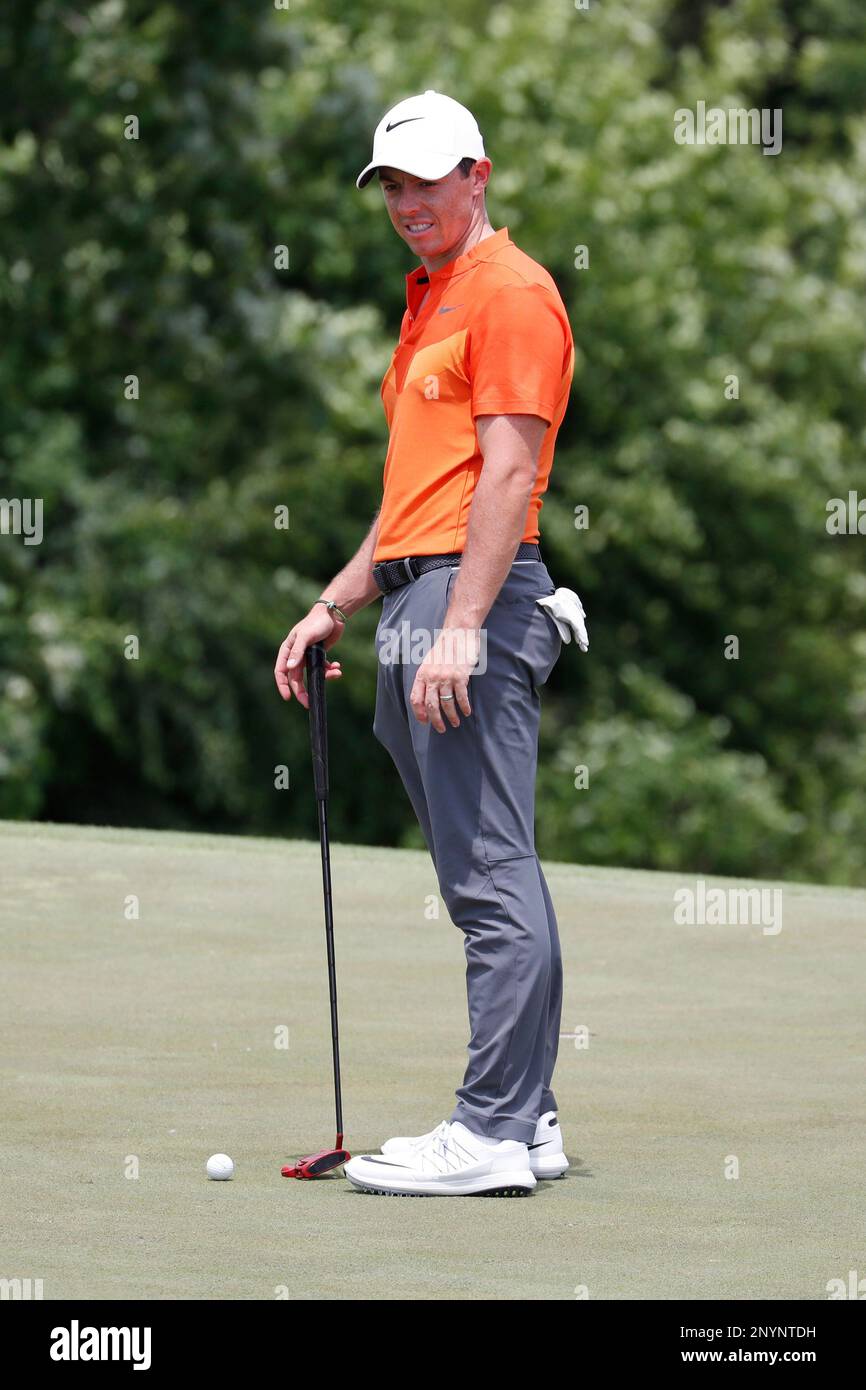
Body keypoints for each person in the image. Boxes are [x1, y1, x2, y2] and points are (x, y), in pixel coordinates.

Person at [274, 90, 575, 1197]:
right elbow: (415, 496)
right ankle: (529, 1112)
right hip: (417, 596)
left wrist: (457, 632)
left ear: (477, 174)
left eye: (426, 179)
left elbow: (505, 475)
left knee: (488, 866)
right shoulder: (433, 298)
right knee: (477, 862)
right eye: (390, 185)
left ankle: (490, 1129)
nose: (408, 202)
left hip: (469, 606)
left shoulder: (510, 293)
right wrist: (335, 603)